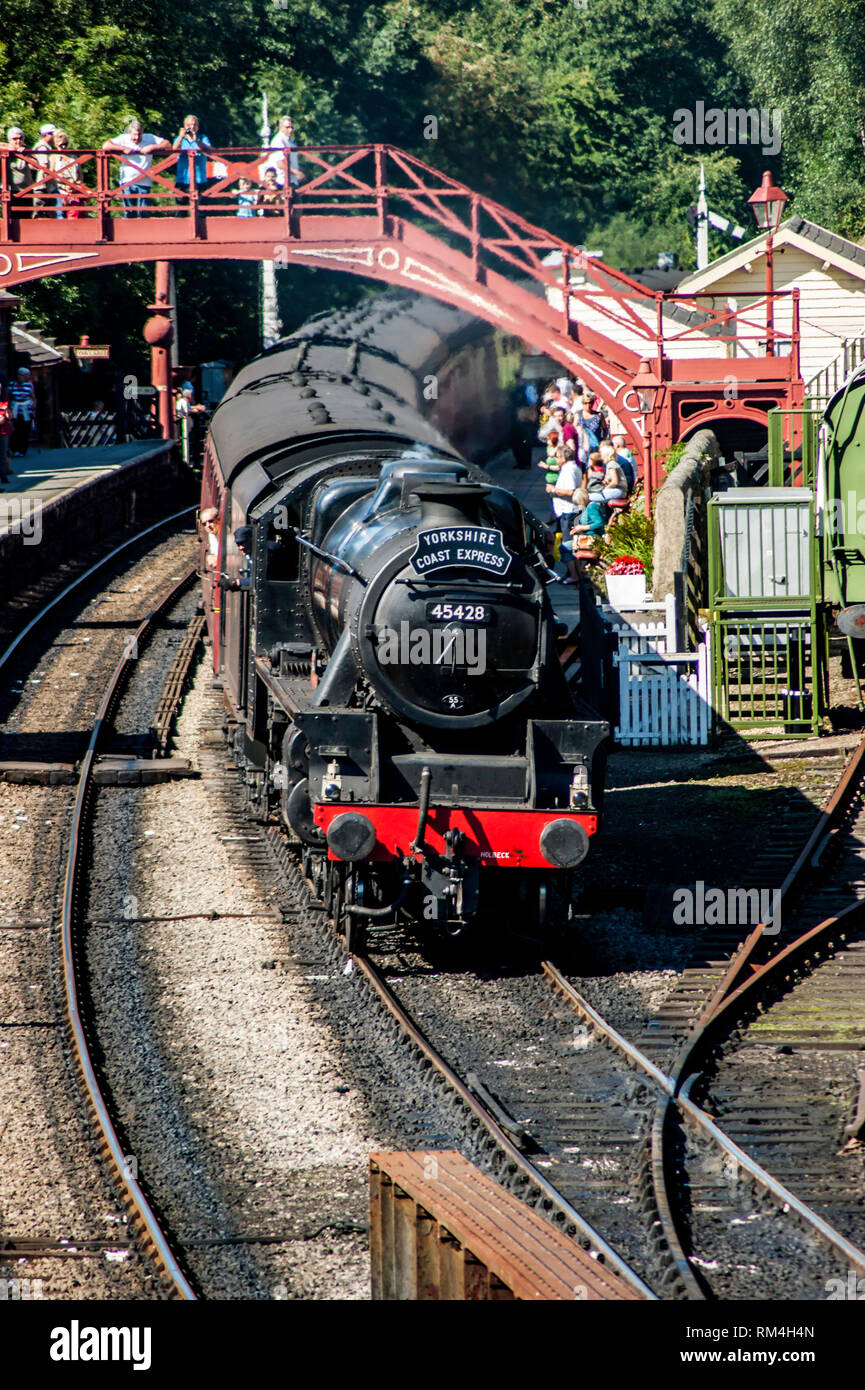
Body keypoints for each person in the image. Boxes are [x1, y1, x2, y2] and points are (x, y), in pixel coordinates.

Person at [102, 119, 171, 217]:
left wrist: (152, 147)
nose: (136, 138)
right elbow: (105, 146)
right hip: (127, 181)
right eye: (134, 135)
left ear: (142, 133)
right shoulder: (123, 138)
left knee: (144, 213)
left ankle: (144, 232)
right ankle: (129, 232)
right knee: (129, 213)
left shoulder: (149, 138)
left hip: (144, 181)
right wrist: (123, 149)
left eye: (139, 135)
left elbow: (168, 144)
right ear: (129, 133)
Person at [172, 114, 211, 196]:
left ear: (198, 126)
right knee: (181, 207)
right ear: (184, 126)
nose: (192, 127)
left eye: (194, 124)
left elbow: (209, 149)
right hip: (182, 179)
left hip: (200, 179)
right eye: (189, 125)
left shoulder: (203, 138)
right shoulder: (179, 139)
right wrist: (180, 137)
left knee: (201, 207)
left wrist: (195, 140)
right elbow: (173, 149)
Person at [260, 115, 302, 188]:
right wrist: (297, 173)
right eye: (287, 127)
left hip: (292, 181)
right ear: (281, 128)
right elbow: (280, 164)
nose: (290, 130)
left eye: (292, 127)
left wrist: (300, 171)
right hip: (281, 182)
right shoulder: (278, 140)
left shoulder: (290, 141)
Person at [3, 128, 35, 217]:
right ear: (9, 140)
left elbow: (36, 166)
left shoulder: (27, 149)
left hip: (27, 190)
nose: (18, 141)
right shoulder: (5, 150)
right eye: (15, 139)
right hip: (12, 191)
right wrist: (9, 149)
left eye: (20, 138)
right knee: (12, 217)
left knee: (26, 217)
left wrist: (25, 154)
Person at [51, 130, 82, 218]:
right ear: (56, 144)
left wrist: (77, 186)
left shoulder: (73, 156)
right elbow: (51, 175)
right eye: (61, 145)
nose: (64, 146)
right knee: (60, 213)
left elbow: (80, 173)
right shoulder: (53, 157)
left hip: (73, 190)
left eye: (66, 144)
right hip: (60, 189)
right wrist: (62, 192)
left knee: (75, 214)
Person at [9, 367, 36, 457]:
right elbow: (9, 397)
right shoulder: (12, 384)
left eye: (24, 376)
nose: (21, 377)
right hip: (15, 412)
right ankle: (15, 450)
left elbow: (33, 398)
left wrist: (34, 407)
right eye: (20, 375)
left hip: (26, 412)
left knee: (24, 431)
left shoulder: (29, 385)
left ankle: (22, 450)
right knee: (15, 431)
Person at [32, 124, 57, 216]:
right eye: (53, 134)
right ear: (47, 134)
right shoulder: (42, 147)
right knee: (38, 211)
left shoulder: (45, 146)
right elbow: (44, 166)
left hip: (46, 184)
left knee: (49, 212)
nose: (55, 137)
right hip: (42, 185)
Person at [0, 377, 12, 485]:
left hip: (3, 431)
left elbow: (8, 417)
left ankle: (4, 476)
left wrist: (6, 414)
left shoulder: (4, 403)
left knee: (3, 454)